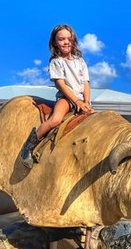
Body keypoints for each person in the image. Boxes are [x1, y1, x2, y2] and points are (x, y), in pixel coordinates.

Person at [19, 23, 93, 169]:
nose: (66, 42)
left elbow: (86, 83)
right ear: (55, 42)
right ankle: (28, 147)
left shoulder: (81, 61)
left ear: (73, 41)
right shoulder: (56, 62)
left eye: (69, 39)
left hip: (81, 99)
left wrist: (87, 102)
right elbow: (61, 84)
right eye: (61, 39)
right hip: (66, 98)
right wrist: (76, 101)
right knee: (55, 120)